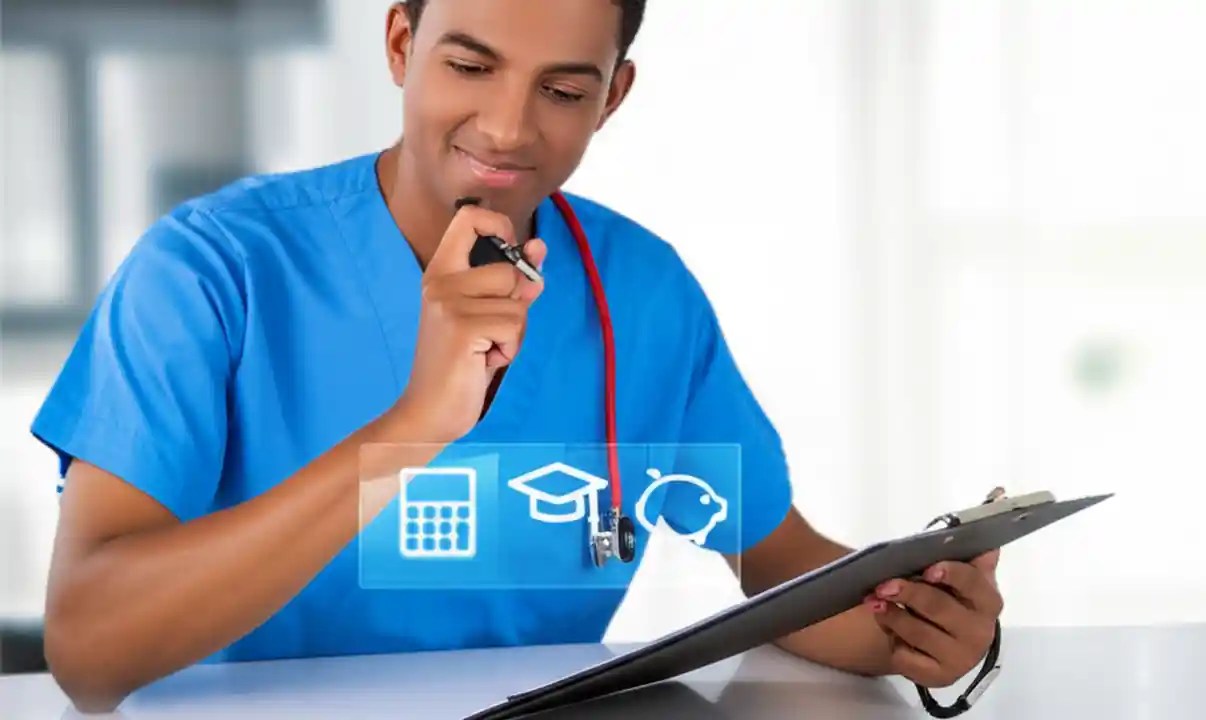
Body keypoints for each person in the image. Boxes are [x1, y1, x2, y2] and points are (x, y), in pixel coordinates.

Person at [31, 0, 1004, 713]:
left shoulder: (642, 291)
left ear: (612, 96)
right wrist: (419, 422)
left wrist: (916, 621)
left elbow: (778, 569)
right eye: (469, 66)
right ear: (400, 45)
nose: (506, 127)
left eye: (563, 89)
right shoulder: (211, 271)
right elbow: (89, 648)